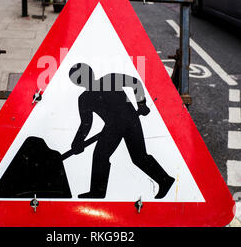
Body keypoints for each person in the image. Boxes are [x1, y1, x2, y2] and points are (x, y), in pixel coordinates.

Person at [69, 63, 175, 199]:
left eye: (84, 75)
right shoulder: (84, 98)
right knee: (104, 157)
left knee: (137, 157)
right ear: (78, 83)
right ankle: (97, 191)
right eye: (79, 79)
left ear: (91, 73)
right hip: (114, 126)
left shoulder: (108, 80)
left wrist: (141, 103)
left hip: (128, 121)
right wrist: (78, 141)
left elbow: (135, 83)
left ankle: (165, 180)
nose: (84, 80)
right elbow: (86, 123)